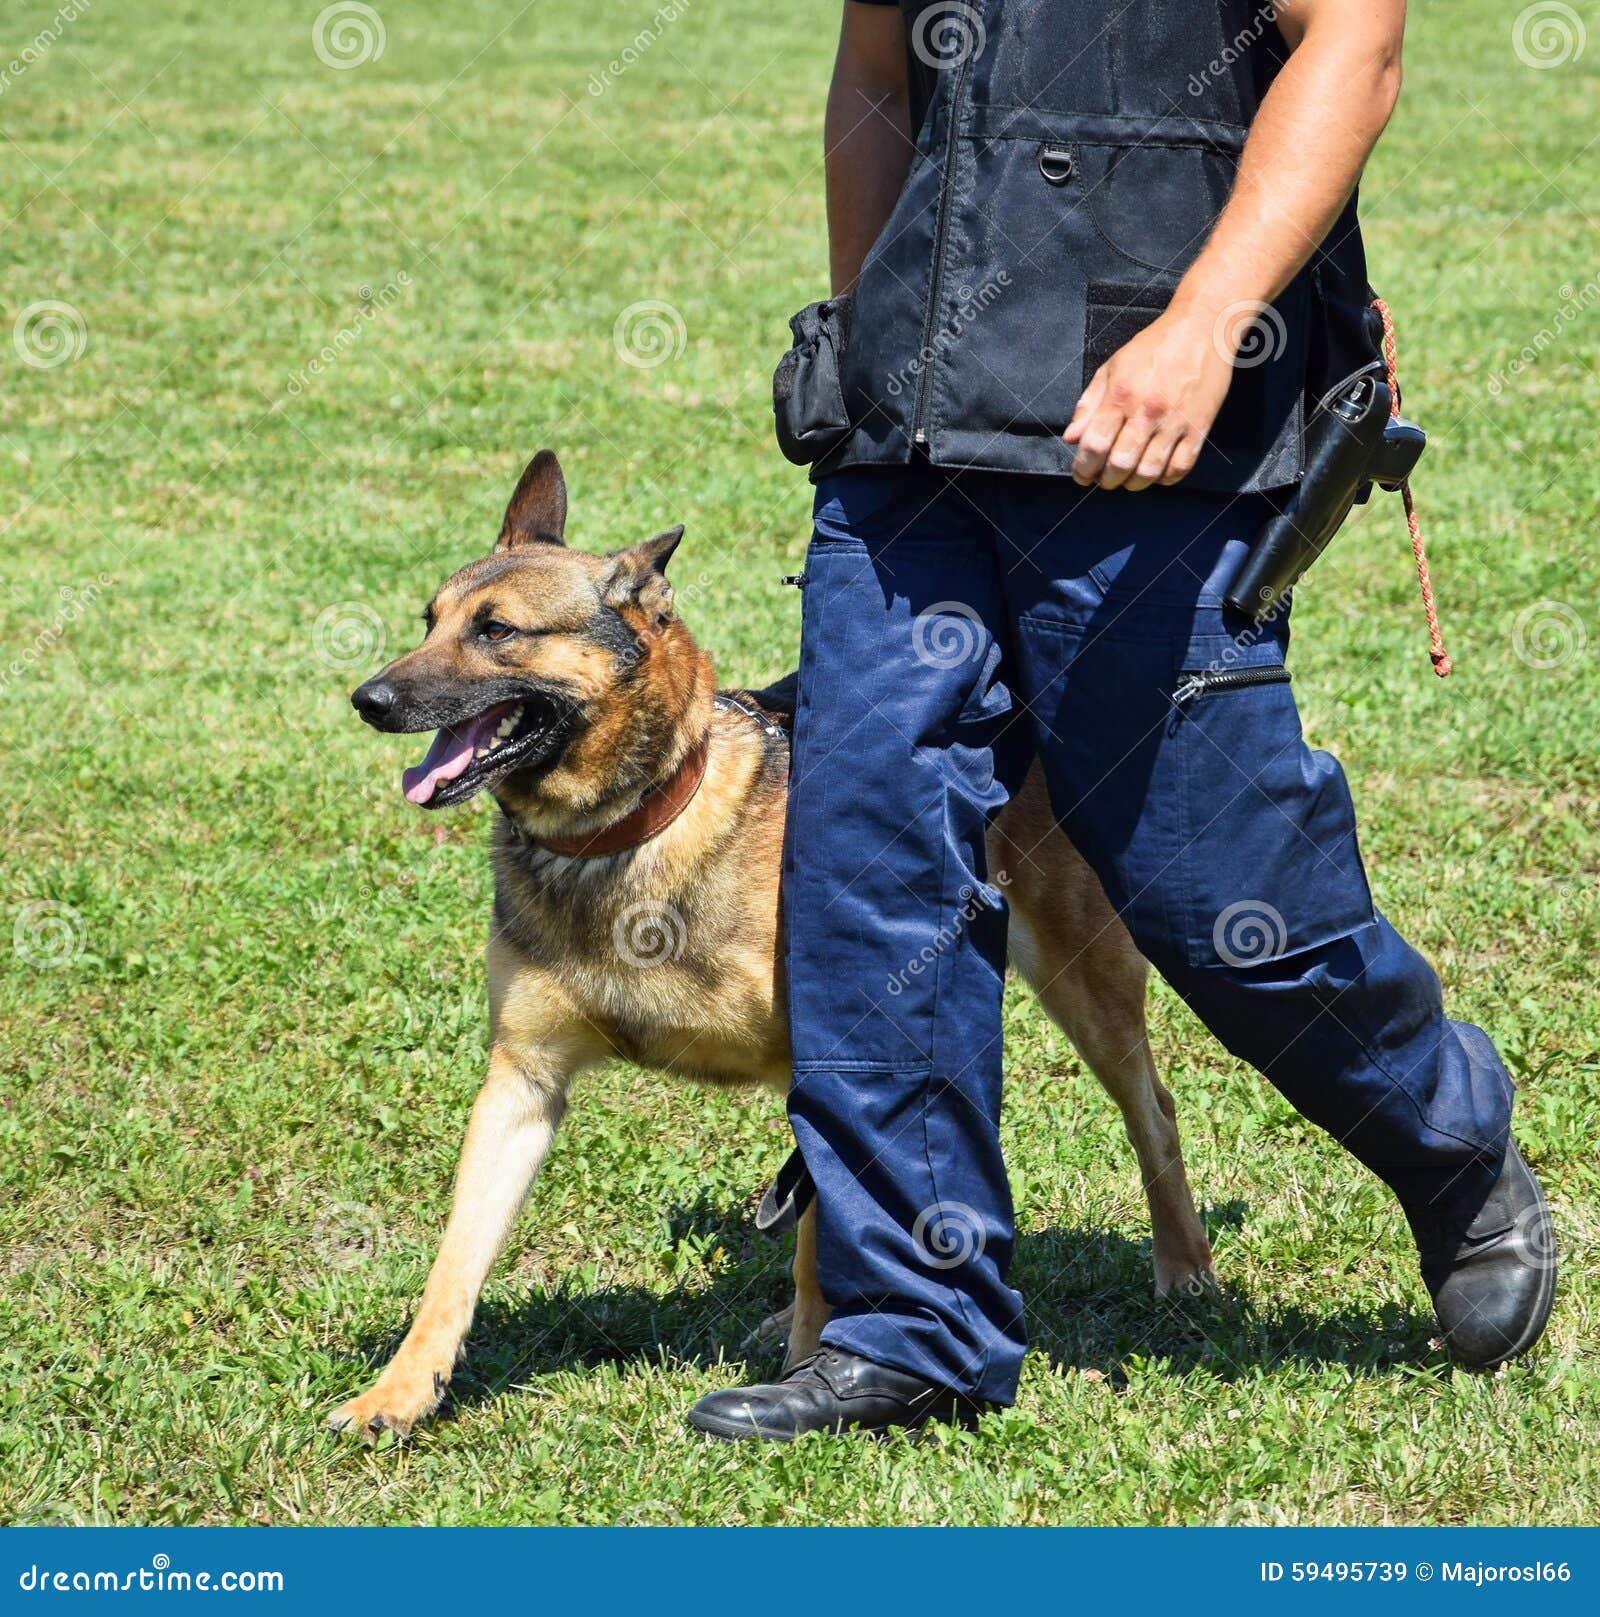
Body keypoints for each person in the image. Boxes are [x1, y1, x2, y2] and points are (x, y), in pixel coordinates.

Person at [688, 0, 1555, 1441]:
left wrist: (1207, 323)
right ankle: (916, 1321)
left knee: (1218, 888)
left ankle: (1451, 1144)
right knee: (867, 862)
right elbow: (875, 64)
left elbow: (1354, 42)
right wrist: (868, 336)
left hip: (1159, 421)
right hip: (914, 452)